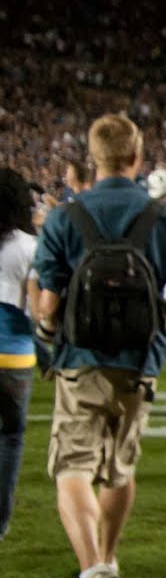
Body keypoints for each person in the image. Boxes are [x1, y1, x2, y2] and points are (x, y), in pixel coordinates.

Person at [32, 114, 166, 578]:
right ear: (137, 157)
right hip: (140, 361)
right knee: (118, 469)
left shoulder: (63, 217)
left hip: (81, 358)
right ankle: (111, 559)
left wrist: (46, 322)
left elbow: (49, 305)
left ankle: (92, 567)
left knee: (72, 467)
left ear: (93, 159)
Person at [0, 168, 38, 541]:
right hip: (14, 355)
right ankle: (0, 522)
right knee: (10, 437)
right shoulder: (29, 246)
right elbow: (35, 310)